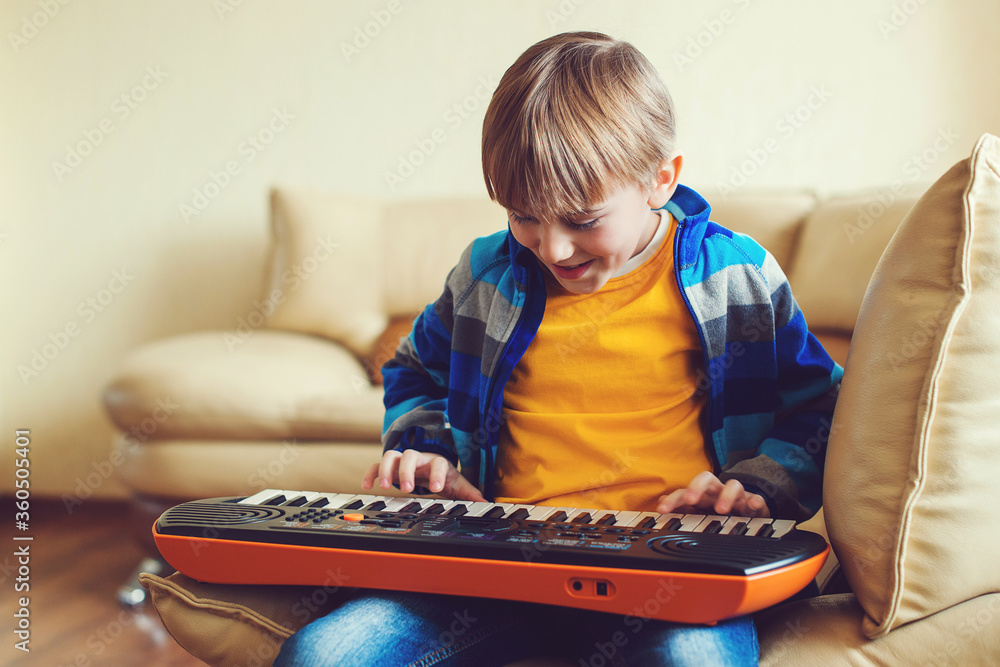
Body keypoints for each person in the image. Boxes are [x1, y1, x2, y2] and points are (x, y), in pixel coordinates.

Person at [274, 31, 842, 666]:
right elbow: (415, 370)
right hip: (495, 567)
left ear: (660, 179)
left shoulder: (736, 278)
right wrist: (424, 449)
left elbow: (818, 407)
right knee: (325, 656)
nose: (552, 249)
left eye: (582, 219)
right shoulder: (485, 274)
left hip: (672, 575)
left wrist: (755, 486)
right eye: (524, 216)